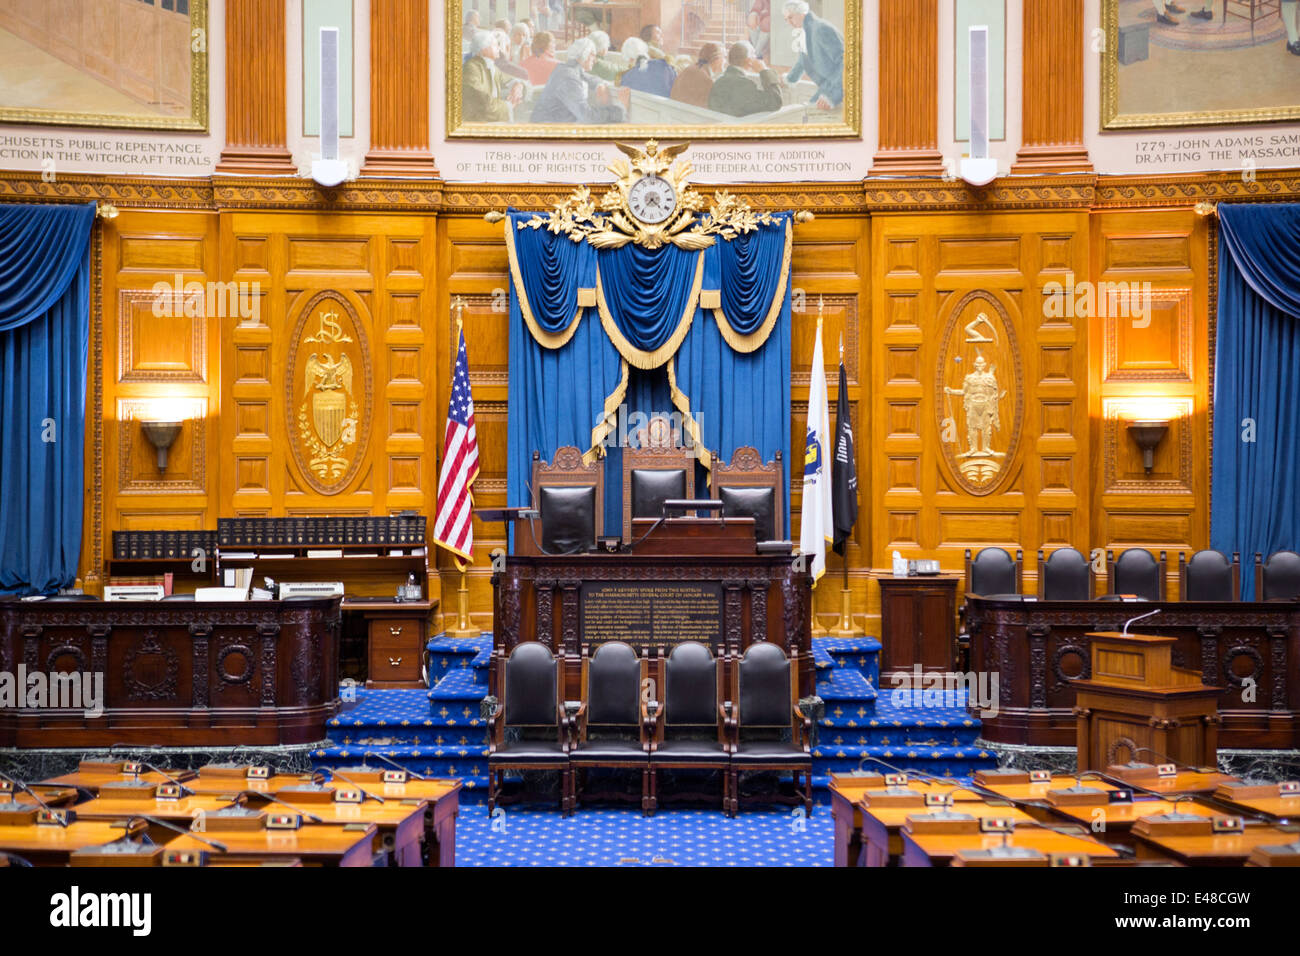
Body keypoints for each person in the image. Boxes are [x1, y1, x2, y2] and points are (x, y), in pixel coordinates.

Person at [531, 36, 630, 123]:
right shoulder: (568, 77)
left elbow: (587, 77)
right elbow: (587, 116)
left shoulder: (567, 68)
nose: (594, 58)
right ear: (585, 54)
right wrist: (619, 110)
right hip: (547, 130)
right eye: (593, 54)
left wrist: (599, 84)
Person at [782, 0, 843, 109]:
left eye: (791, 17)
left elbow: (846, 61)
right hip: (826, 86)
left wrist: (832, 96)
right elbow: (802, 61)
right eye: (786, 20)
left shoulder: (820, 28)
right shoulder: (805, 30)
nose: (789, 23)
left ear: (802, 13)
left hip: (837, 88)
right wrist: (789, 80)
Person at [462, 30, 523, 122]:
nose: (499, 48)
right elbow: (484, 104)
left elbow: (509, 79)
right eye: (495, 45)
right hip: (477, 123)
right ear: (484, 50)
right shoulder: (471, 69)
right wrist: (509, 105)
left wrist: (517, 85)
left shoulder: (491, 66)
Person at [708, 41, 782, 116]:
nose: (756, 58)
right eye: (754, 54)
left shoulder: (719, 81)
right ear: (749, 60)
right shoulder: (744, 85)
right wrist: (764, 70)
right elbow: (775, 102)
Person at [670, 42, 724, 108]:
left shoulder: (690, 69)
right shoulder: (706, 80)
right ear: (717, 59)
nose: (725, 61)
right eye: (724, 57)